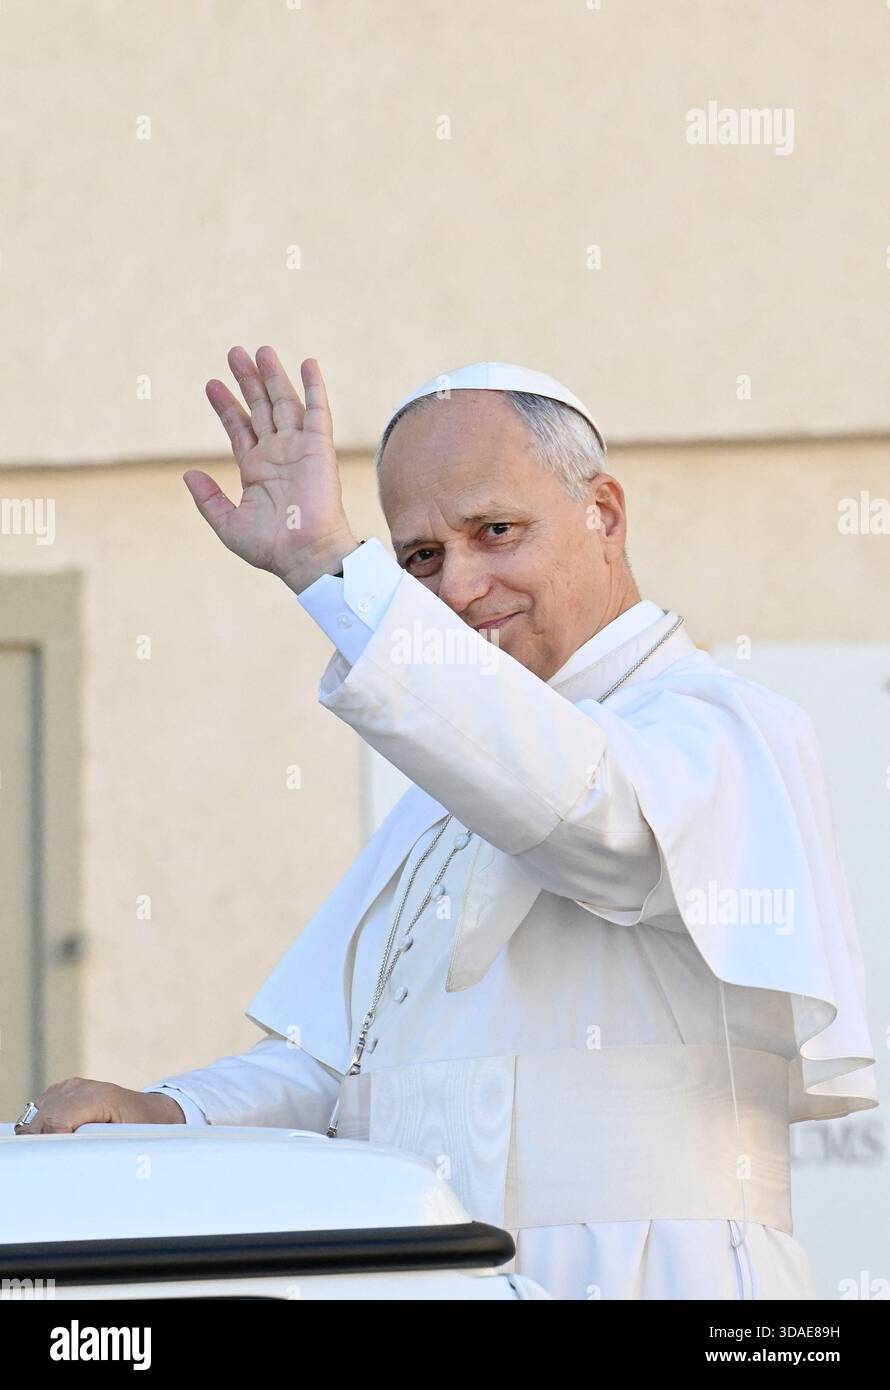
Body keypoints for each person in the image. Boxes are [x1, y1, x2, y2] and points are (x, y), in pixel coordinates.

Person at [15, 350, 878, 1301]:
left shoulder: (720, 726)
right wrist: (169, 1113)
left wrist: (326, 569)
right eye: (420, 556)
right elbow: (342, 1068)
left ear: (606, 514)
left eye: (495, 532)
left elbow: (591, 817)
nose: (458, 587)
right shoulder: (454, 789)